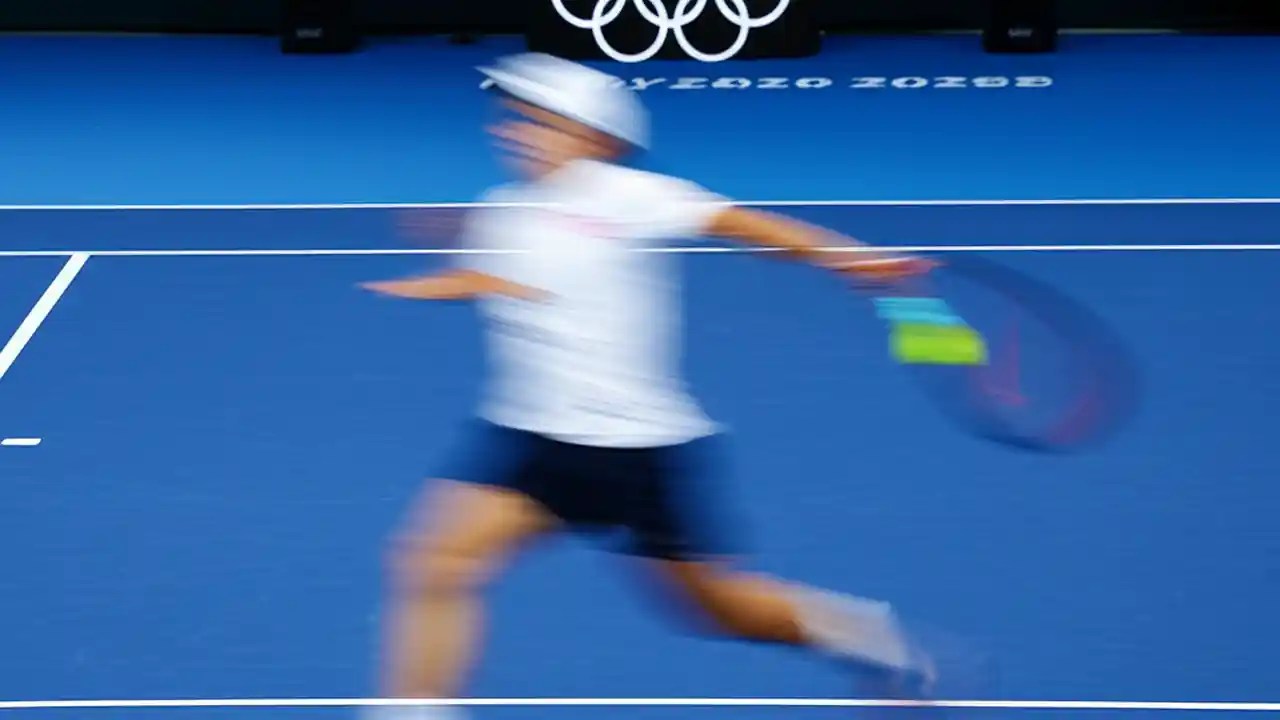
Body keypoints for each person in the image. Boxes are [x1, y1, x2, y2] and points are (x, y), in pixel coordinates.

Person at [360, 53, 938, 720]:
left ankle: (862, 635)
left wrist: (853, 259)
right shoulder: (501, 210)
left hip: (636, 451)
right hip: (531, 441)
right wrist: (442, 283)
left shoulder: (632, 195)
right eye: (513, 118)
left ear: (594, 137)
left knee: (715, 608)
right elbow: (508, 281)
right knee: (433, 562)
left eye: (538, 120)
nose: (513, 131)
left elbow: (749, 228)